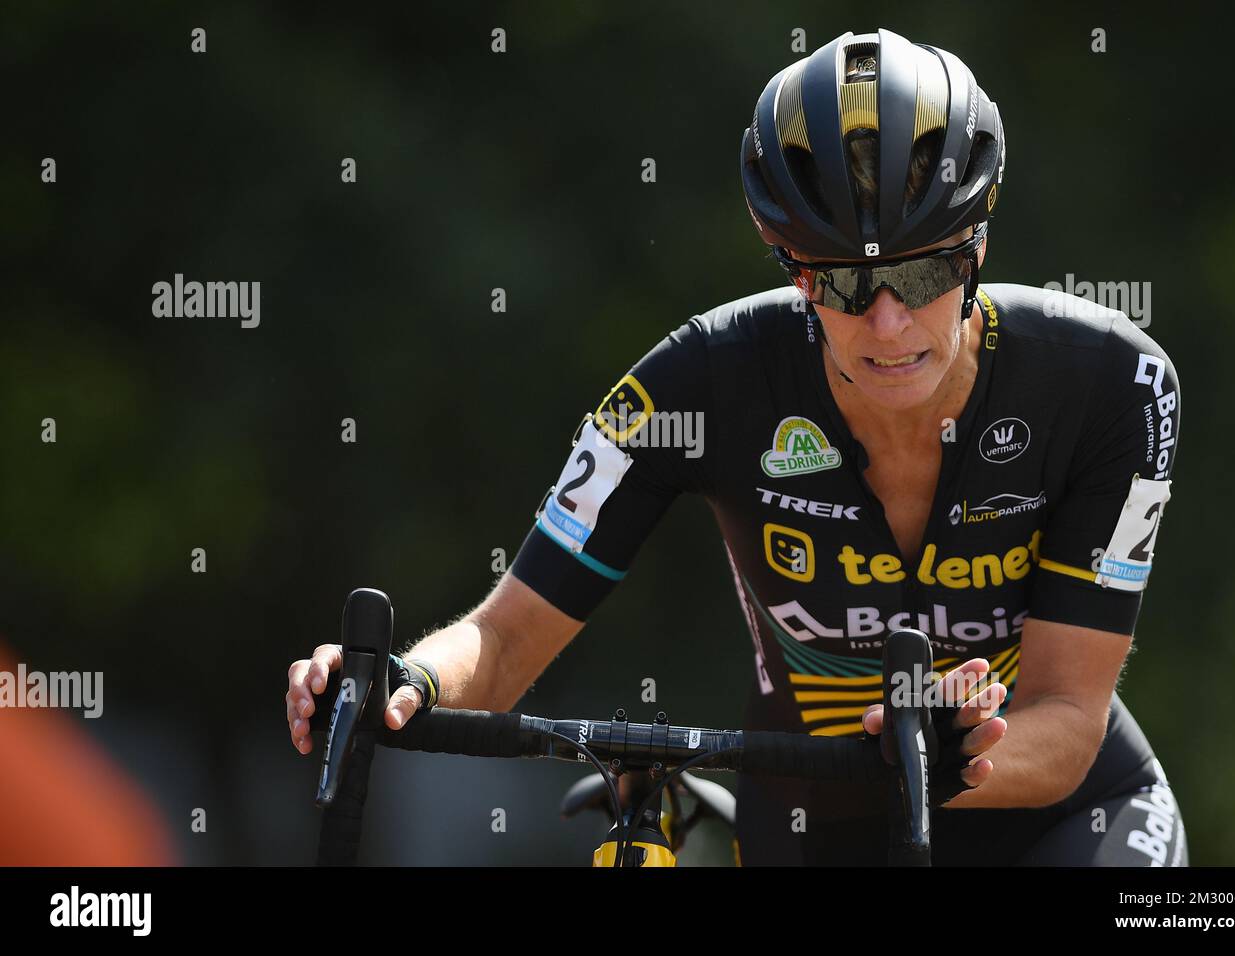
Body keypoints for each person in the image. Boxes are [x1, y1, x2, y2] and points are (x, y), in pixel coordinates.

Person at [286, 28, 1187, 866]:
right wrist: (406, 681)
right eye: (843, 281)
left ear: (976, 248)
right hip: (813, 825)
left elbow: (1067, 721)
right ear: (794, 271)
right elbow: (505, 639)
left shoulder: (1110, 385)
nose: (887, 318)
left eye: (922, 270)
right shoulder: (698, 384)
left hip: (1064, 820)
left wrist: (959, 757)